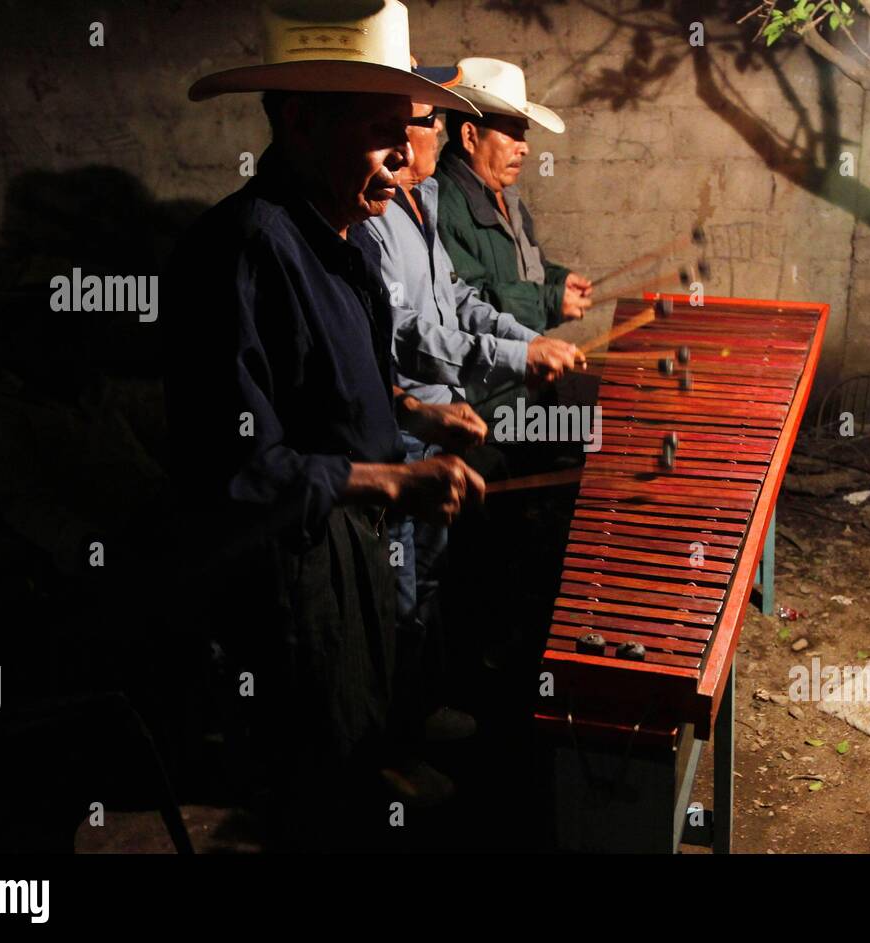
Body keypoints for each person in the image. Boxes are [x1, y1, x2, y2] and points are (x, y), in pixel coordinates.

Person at [163, 0, 487, 842]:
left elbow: (341, 391)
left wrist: (416, 415)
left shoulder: (341, 240)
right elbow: (236, 467)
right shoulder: (239, 251)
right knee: (317, 777)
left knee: (363, 734)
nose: (403, 159)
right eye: (385, 132)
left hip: (355, 553)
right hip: (295, 581)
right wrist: (390, 476)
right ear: (303, 124)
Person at [351, 65, 581, 756]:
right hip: (402, 429)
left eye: (420, 123)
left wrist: (529, 339)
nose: (429, 136)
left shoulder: (418, 205)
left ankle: (420, 712)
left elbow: (463, 301)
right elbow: (408, 334)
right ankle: (386, 752)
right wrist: (516, 356)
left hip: (442, 419)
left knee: (426, 587)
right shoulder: (378, 218)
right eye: (427, 121)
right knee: (396, 594)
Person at [435, 58, 593, 340]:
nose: (526, 148)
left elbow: (519, 271)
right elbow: (468, 303)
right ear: (470, 136)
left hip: (522, 368)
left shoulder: (506, 195)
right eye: (512, 133)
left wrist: (557, 280)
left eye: (524, 135)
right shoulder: (443, 207)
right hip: (487, 379)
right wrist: (549, 302)